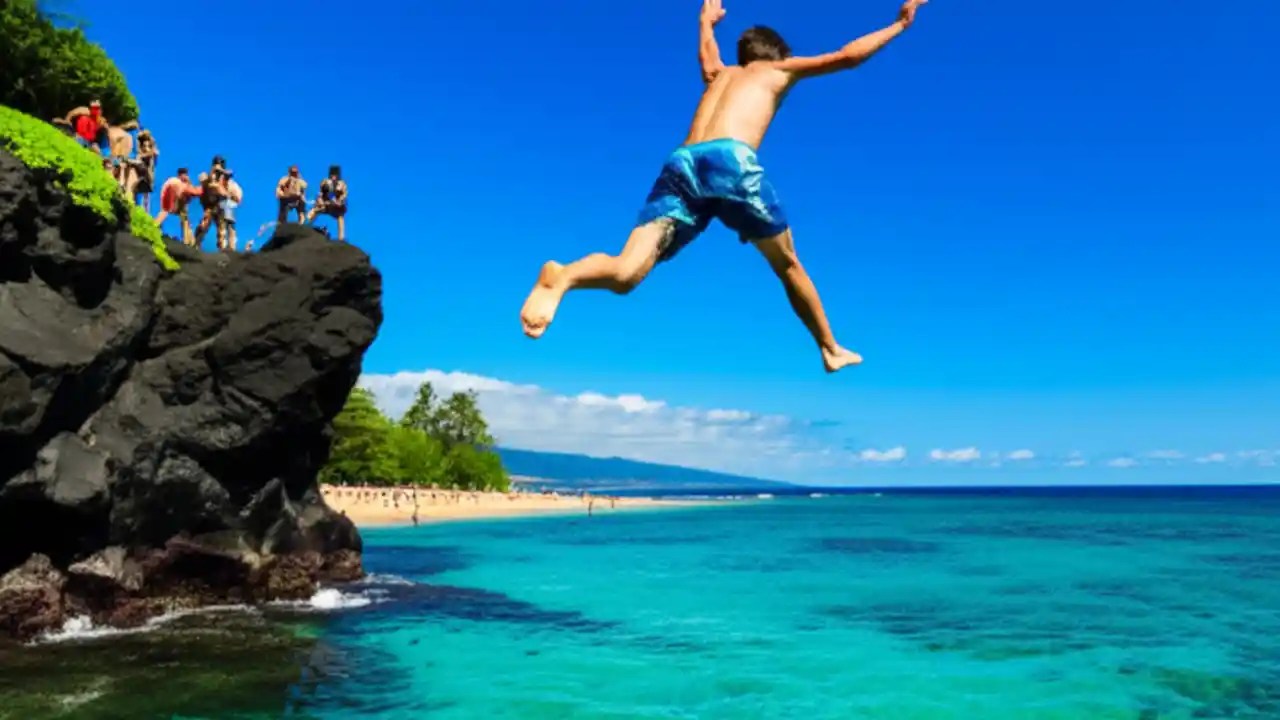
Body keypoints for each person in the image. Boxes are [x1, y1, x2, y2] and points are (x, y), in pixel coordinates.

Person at [519, 0, 928, 373]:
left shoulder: (720, 76)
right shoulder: (778, 70)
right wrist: (899, 24)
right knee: (788, 265)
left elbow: (706, 56)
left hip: (682, 163)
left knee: (627, 273)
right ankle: (830, 347)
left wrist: (704, 21)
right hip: (730, 163)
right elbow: (847, 57)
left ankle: (566, 275)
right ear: (777, 55)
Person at [156, 168, 201, 246]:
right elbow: (194, 192)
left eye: (187, 174)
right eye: (185, 174)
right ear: (180, 175)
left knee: (185, 218)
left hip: (178, 202)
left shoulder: (182, 183)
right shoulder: (176, 182)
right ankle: (155, 225)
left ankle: (188, 241)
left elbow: (190, 194)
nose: (186, 176)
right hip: (172, 199)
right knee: (165, 211)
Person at [307, 165, 347, 241]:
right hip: (324, 203)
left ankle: (341, 238)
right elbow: (322, 191)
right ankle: (304, 225)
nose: (334, 177)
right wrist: (321, 201)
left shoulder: (342, 184)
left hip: (334, 206)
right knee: (314, 211)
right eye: (332, 175)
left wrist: (340, 202)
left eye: (335, 175)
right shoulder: (326, 181)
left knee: (340, 217)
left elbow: (343, 196)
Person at [220, 169, 244, 251]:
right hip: (221, 207)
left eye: (229, 176)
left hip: (230, 207)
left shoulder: (234, 185)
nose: (227, 177)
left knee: (230, 227)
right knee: (222, 228)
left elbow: (239, 197)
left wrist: (233, 197)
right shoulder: (220, 183)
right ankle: (222, 246)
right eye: (226, 175)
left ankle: (232, 246)